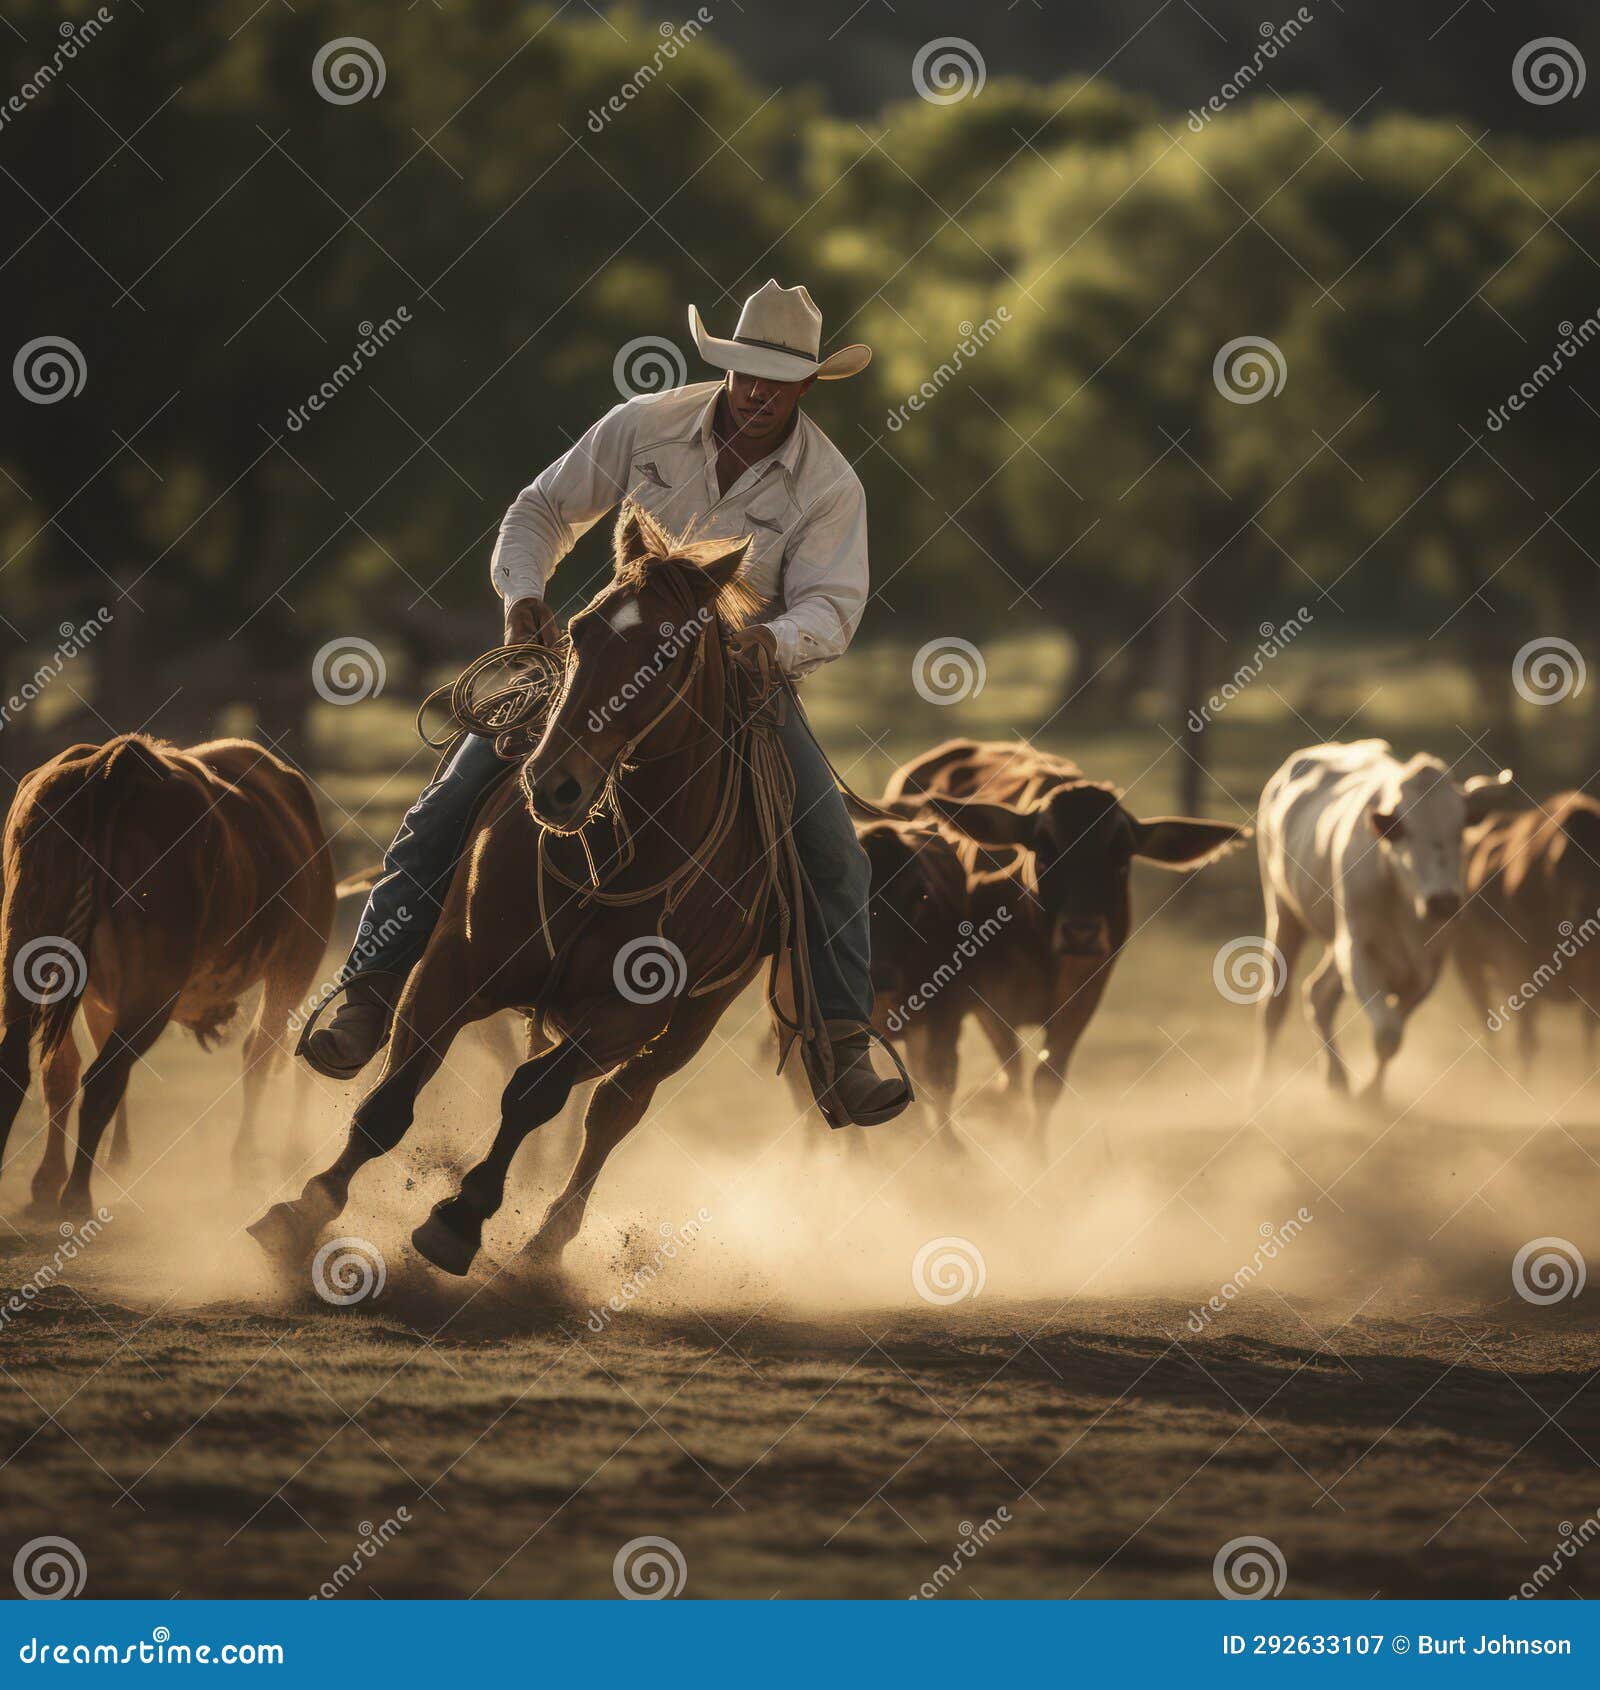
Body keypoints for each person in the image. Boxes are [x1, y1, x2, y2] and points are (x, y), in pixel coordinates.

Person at [304, 280, 910, 1126]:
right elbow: (543, 509)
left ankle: (841, 1043)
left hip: (736, 684)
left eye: (779, 379)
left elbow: (833, 605)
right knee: (450, 798)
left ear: (809, 386)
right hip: (607, 657)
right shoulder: (645, 424)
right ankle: (368, 989)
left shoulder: (829, 484)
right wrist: (524, 599)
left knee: (836, 853)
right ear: (727, 366)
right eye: (746, 372)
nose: (758, 392)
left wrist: (770, 642)